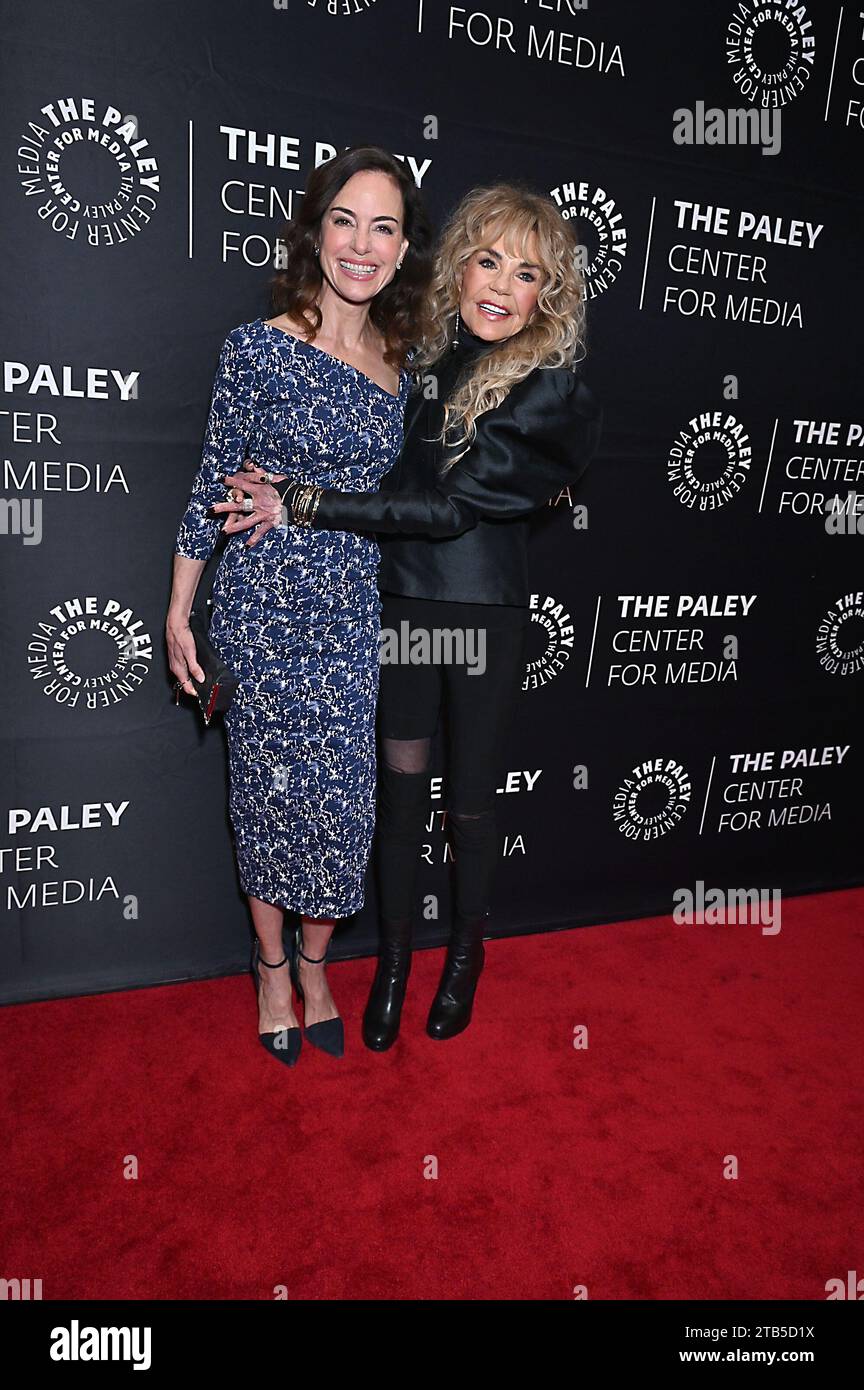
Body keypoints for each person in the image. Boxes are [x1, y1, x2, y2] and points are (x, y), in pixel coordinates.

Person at [219, 182, 603, 1047]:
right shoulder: (420, 357)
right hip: (400, 605)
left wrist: (307, 501)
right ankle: (391, 962)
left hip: (483, 618)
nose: (502, 286)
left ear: (550, 293)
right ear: (460, 266)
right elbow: (391, 481)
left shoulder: (548, 393)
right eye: (488, 261)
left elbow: (447, 512)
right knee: (398, 797)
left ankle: (463, 960)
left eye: (528, 273)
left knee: (468, 807)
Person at [166, 146, 433, 1067]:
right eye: (345, 220)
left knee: (343, 810)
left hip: (355, 618)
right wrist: (178, 611)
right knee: (269, 804)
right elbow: (211, 482)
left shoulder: (404, 371)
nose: (362, 243)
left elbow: (405, 505)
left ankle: (320, 962)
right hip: (265, 610)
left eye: (384, 227)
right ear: (315, 233)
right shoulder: (258, 348)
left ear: (403, 251)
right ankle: (273, 967)